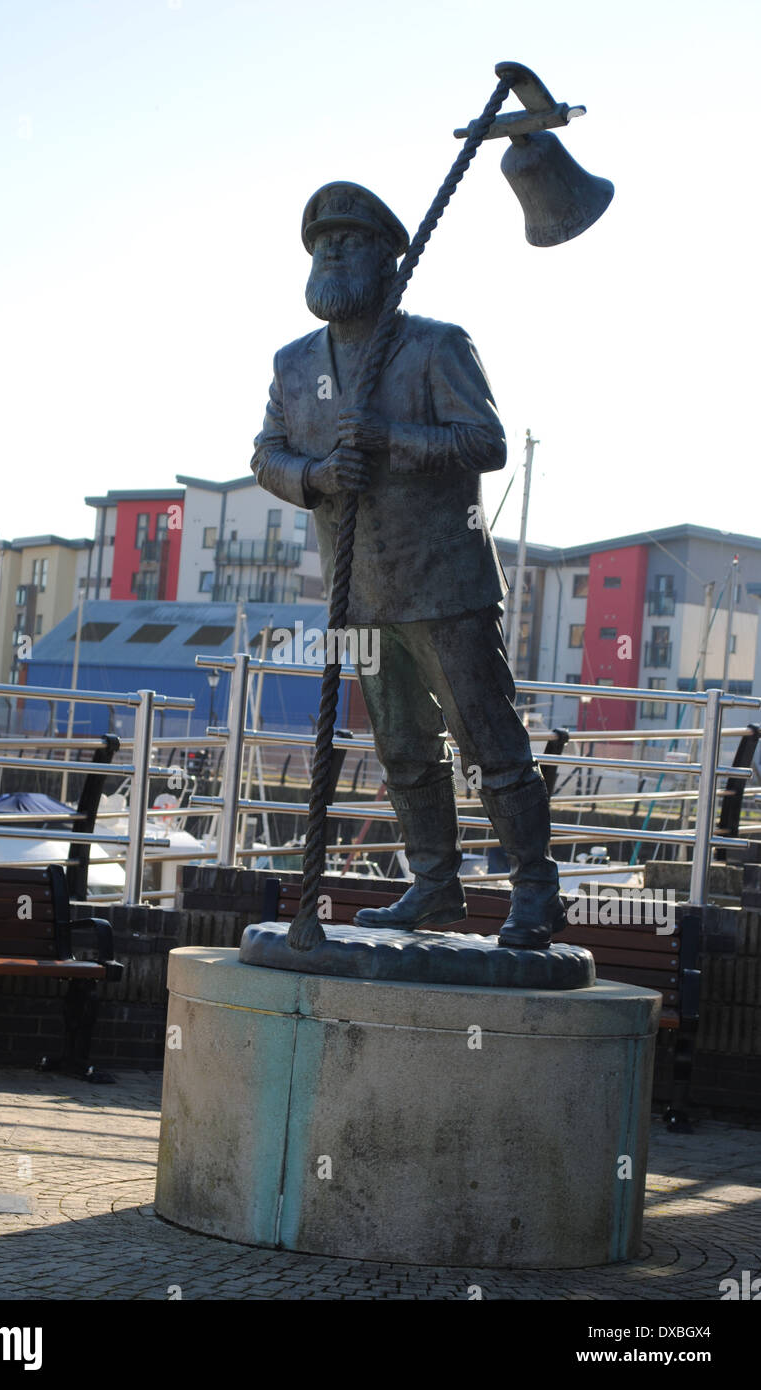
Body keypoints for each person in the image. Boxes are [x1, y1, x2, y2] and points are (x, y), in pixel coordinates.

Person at [251, 181, 565, 948]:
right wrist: (318, 476)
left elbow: (485, 442)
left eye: (349, 239)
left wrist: (394, 440)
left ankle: (535, 891)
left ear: (387, 258)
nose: (329, 250)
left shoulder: (435, 346)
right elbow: (267, 455)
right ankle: (433, 885)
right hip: (359, 593)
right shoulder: (293, 365)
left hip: (446, 586)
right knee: (400, 749)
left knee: (491, 742)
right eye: (320, 241)